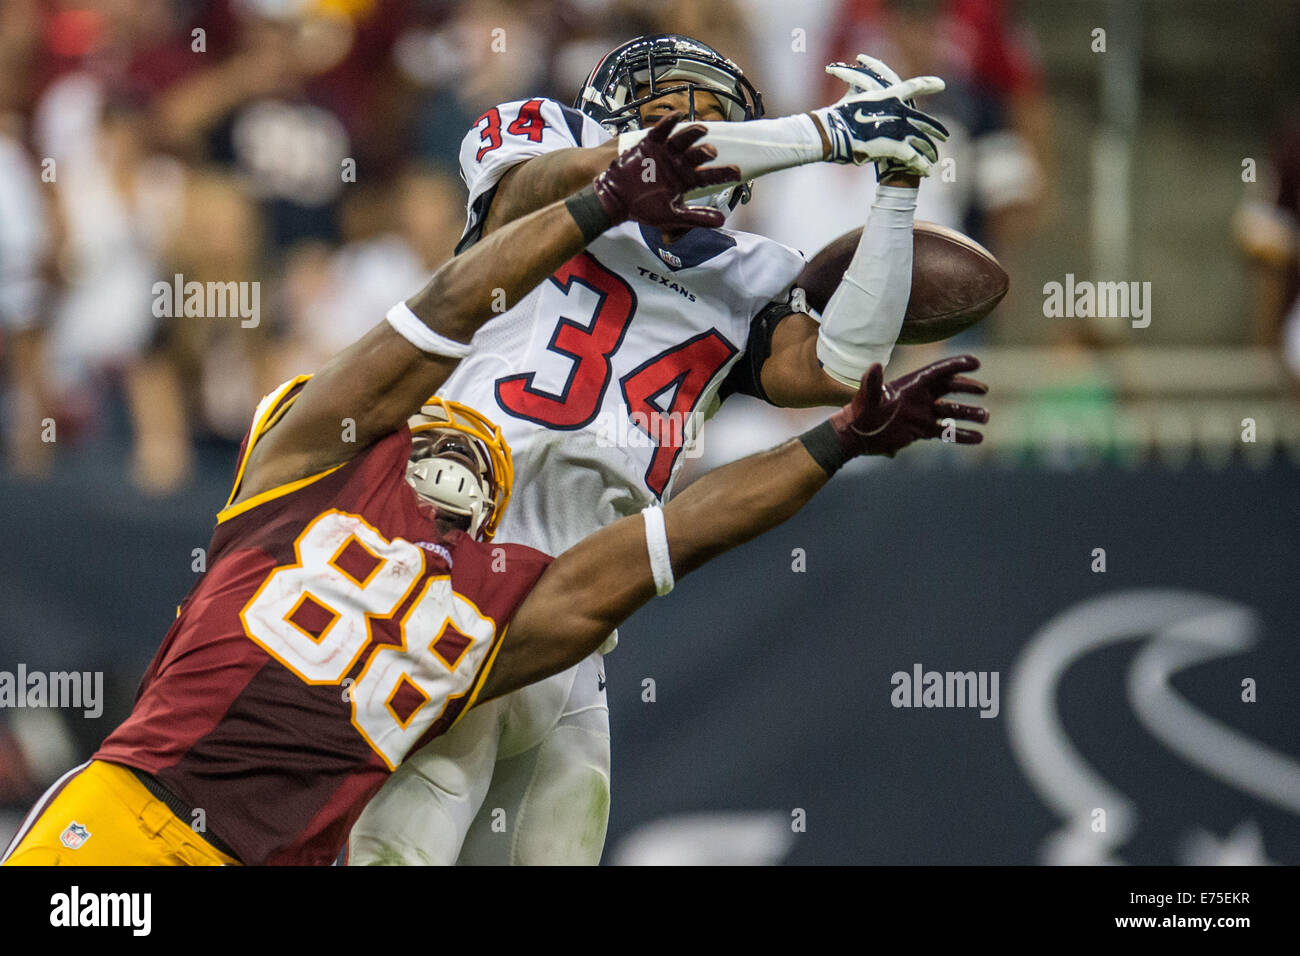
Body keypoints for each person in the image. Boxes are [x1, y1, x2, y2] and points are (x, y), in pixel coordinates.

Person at [0, 115, 988, 866]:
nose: (459, 468)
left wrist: (837, 438)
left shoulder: (464, 585)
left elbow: (673, 535)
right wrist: (598, 203)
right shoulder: (317, 481)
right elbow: (445, 309)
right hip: (130, 826)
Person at [348, 34, 955, 865]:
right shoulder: (540, 150)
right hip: (453, 552)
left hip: (581, 603)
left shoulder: (748, 273)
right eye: (670, 112)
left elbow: (843, 366)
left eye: (715, 125)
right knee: (412, 830)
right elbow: (583, 177)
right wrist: (832, 132)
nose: (692, 137)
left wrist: (894, 191)